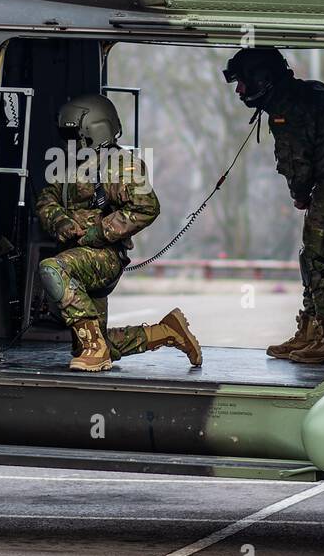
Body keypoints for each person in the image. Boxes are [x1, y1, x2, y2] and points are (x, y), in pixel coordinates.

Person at [36, 93, 202, 373]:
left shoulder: (120, 165)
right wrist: (61, 222)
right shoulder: (71, 166)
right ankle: (166, 331)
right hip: (77, 258)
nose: (70, 140)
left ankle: (95, 348)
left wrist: (97, 233)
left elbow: (146, 207)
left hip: (103, 256)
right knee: (86, 344)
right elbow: (45, 200)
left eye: (74, 133)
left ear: (93, 129)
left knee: (52, 269)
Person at [223, 47, 324, 364]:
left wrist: (300, 194)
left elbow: (296, 164)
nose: (239, 90)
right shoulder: (310, 91)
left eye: (242, 82)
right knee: (313, 257)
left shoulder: (286, 107)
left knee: (317, 258)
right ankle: (310, 331)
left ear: (260, 79)